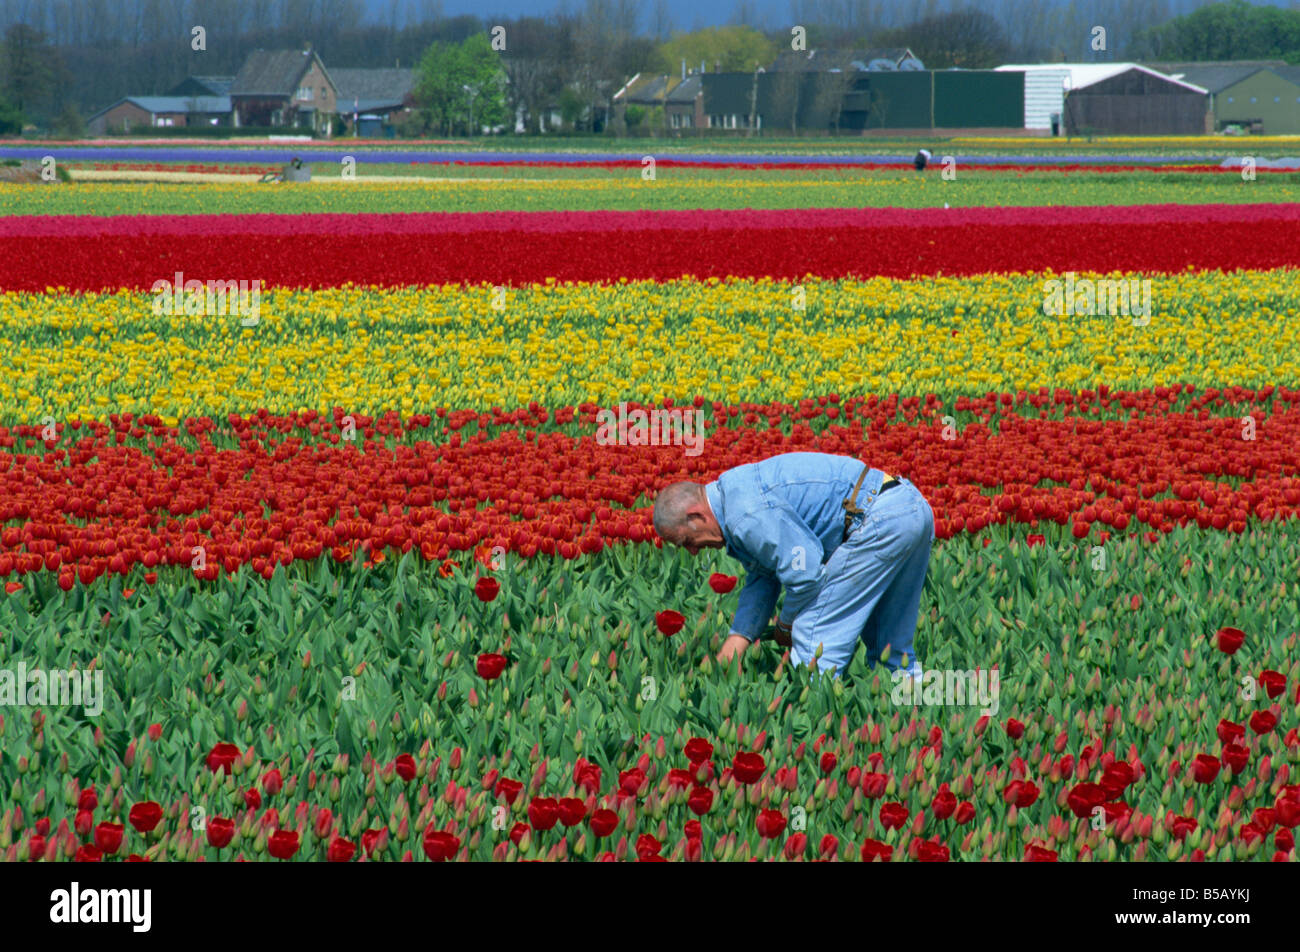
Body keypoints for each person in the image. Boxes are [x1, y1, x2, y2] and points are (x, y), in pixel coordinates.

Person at [653, 452, 934, 678]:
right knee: (891, 647)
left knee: (814, 634)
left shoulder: (743, 515)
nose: (691, 552)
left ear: (696, 517)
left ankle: (815, 731)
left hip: (879, 521)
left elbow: (807, 572)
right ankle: (913, 719)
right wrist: (738, 640)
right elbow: (764, 575)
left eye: (686, 541)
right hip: (908, 508)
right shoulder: (735, 497)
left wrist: (787, 624)